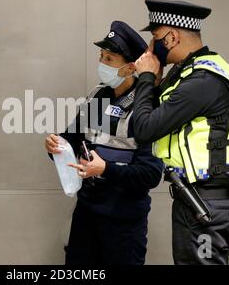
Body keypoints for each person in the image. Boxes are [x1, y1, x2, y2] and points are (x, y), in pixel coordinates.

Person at [133, 0, 229, 264]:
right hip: (203, 199)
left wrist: (146, 77)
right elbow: (151, 115)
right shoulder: (192, 72)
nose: (150, 49)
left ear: (172, 37)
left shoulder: (202, 81)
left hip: (206, 203)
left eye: (155, 39)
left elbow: (143, 128)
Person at [45, 21, 163, 265]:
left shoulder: (146, 107)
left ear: (130, 68)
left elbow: (151, 174)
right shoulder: (98, 95)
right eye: (101, 56)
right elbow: (73, 138)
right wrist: (56, 145)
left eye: (109, 59)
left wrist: (106, 169)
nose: (102, 63)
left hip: (122, 222)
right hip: (87, 212)